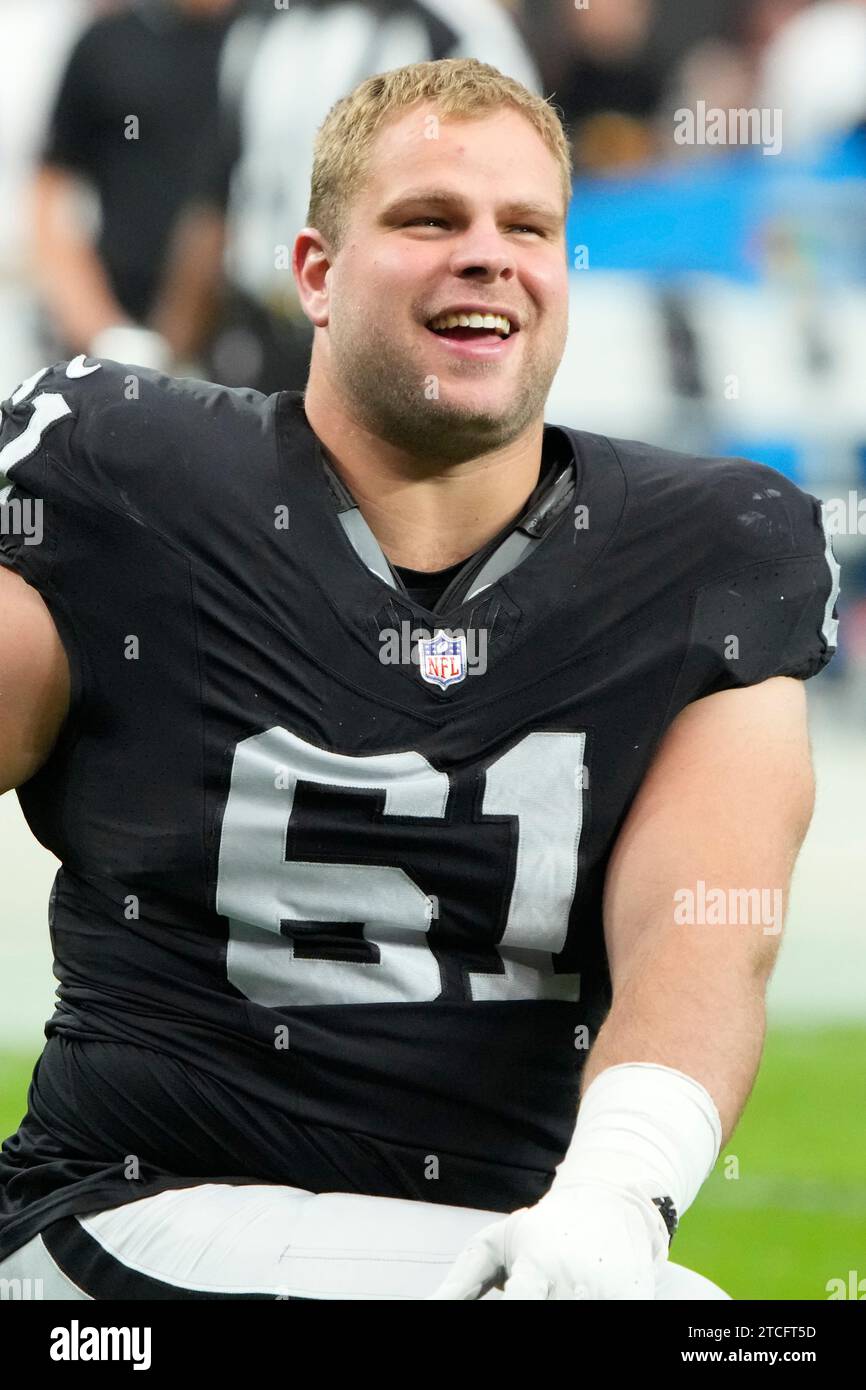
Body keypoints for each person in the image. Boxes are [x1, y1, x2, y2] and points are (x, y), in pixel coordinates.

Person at [0, 57, 840, 1300]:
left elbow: (702, 929)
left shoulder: (710, 546)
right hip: (129, 1218)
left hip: (488, 1245)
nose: (486, 254)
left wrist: (613, 1196)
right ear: (315, 274)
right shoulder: (135, 478)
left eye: (526, 227)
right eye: (429, 219)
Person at [154, 0, 542, 392]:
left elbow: (512, 199)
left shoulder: (456, 28)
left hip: (395, 341)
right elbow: (217, 198)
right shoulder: (259, 26)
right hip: (258, 337)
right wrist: (165, 357)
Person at [31, 0, 238, 372]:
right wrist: (103, 333)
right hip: (114, 329)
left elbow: (217, 214)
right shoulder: (108, 42)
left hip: (231, 341)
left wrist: (176, 340)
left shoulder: (261, 40)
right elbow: (51, 195)